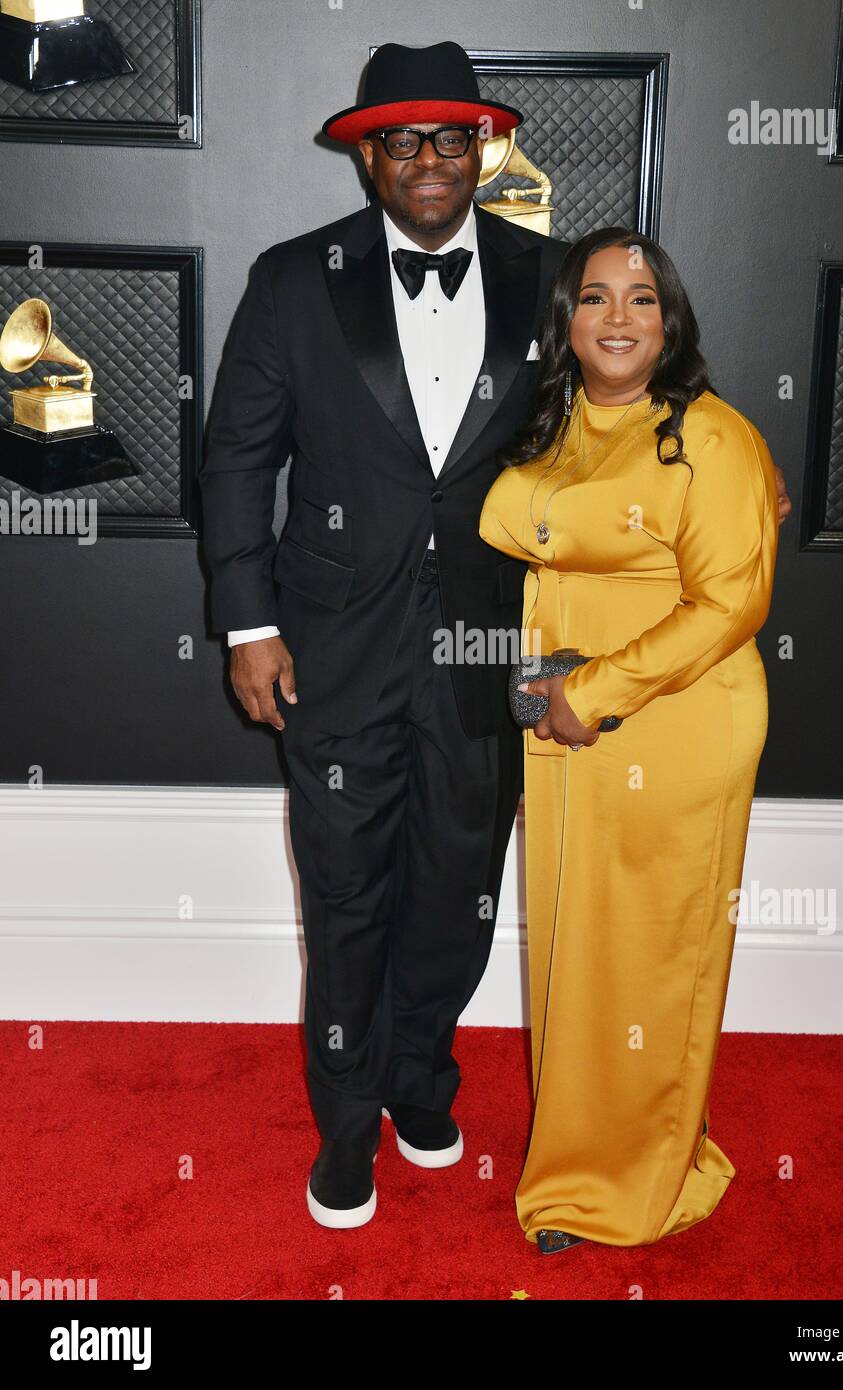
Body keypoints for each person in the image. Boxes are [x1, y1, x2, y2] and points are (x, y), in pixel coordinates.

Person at [199, 41, 568, 1229]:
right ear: (368, 158)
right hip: (329, 653)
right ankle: (346, 1125)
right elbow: (238, 460)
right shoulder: (292, 279)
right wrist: (247, 623)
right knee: (347, 896)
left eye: (448, 137)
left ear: (482, 148)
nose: (424, 161)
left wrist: (730, 461)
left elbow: (626, 405)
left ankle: (420, 1080)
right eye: (398, 140)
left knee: (456, 889)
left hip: (485, 656)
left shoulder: (548, 277)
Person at [479, 227, 780, 1252]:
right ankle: (577, 1160)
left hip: (674, 721)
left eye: (641, 298)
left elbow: (729, 602)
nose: (616, 317)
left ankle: (626, 1180)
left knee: (652, 959)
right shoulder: (551, 424)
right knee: (577, 947)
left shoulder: (712, 435)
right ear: (564, 321)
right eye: (593, 297)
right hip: (569, 728)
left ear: (670, 320)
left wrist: (596, 691)